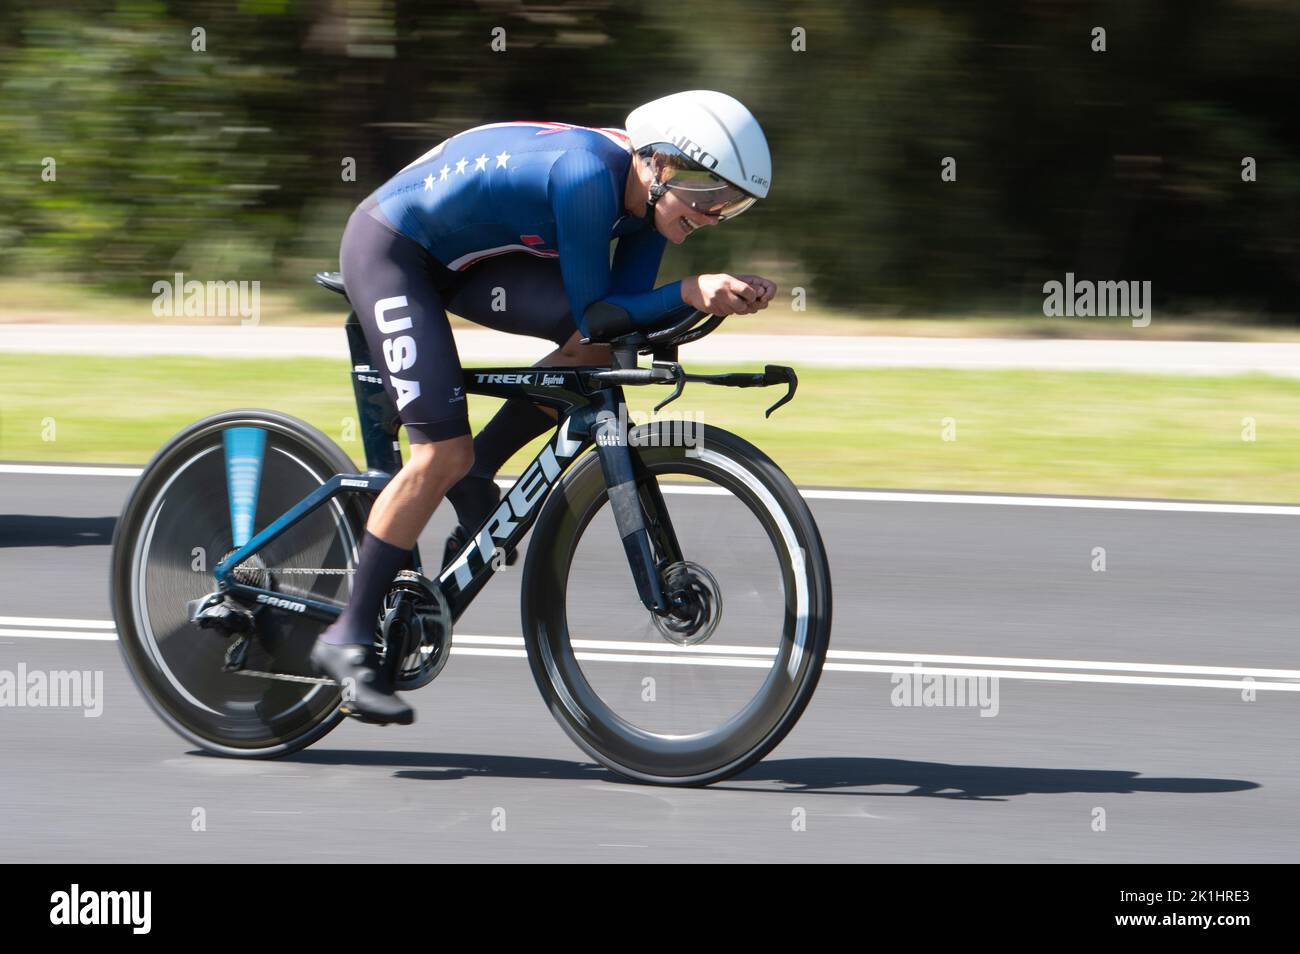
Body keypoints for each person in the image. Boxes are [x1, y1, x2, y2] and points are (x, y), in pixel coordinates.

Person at [311, 90, 778, 724]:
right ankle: (347, 636)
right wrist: (694, 289)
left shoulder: (646, 204)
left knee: (597, 350)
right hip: (392, 248)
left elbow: (610, 326)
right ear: (661, 164)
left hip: (464, 258)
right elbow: (599, 308)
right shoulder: (588, 176)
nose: (717, 213)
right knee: (438, 451)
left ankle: (479, 470)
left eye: (733, 205)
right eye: (709, 194)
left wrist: (710, 298)